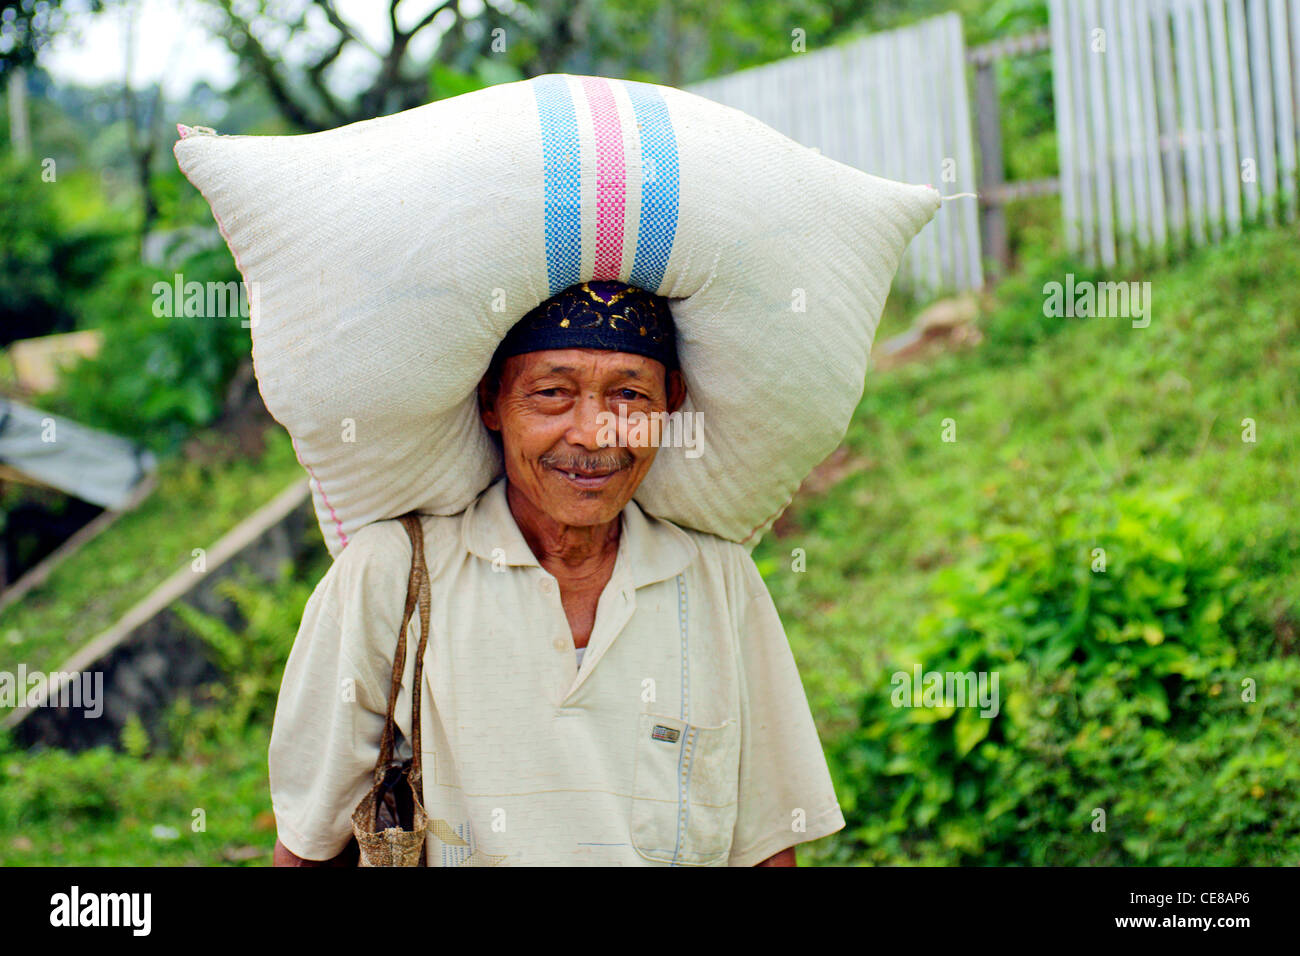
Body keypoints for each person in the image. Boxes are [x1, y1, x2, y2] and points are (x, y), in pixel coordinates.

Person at [268, 279, 845, 866]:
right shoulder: (393, 574)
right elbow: (310, 847)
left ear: (671, 404)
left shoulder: (718, 581)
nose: (594, 433)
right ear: (492, 401)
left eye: (628, 394)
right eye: (551, 393)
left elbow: (768, 847)